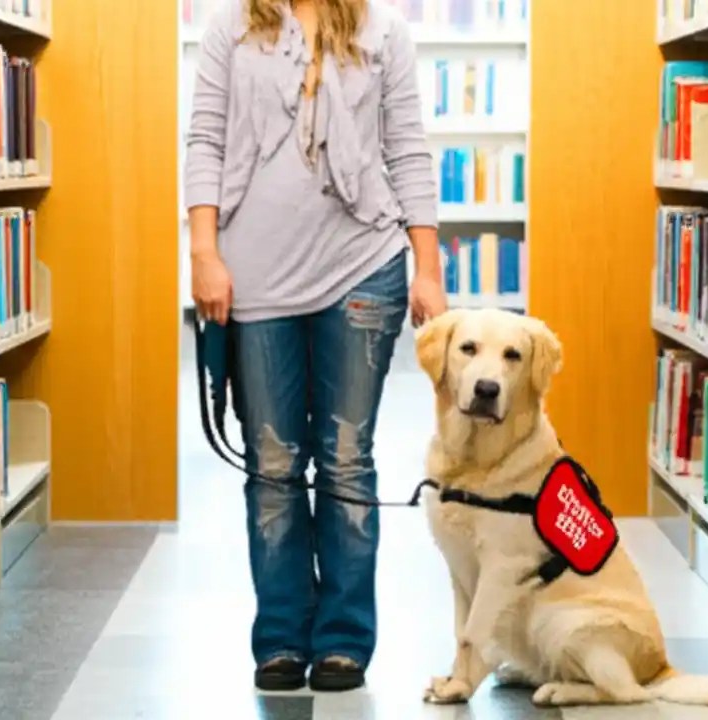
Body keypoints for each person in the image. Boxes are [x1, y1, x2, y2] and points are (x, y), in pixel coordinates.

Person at [184, 0, 445, 694]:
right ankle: (279, 637)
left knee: (346, 457)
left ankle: (343, 641)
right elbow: (205, 140)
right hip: (254, 274)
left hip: (363, 266)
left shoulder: (384, 30)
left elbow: (409, 149)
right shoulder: (229, 26)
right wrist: (203, 252)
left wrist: (428, 268)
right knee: (271, 462)